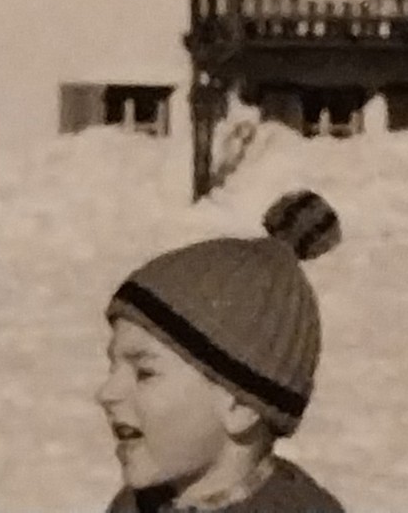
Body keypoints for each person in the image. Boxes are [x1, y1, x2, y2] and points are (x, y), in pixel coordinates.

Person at [97, 190, 345, 513]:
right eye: (112, 367)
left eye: (145, 373)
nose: (107, 393)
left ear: (241, 405)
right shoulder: (136, 504)